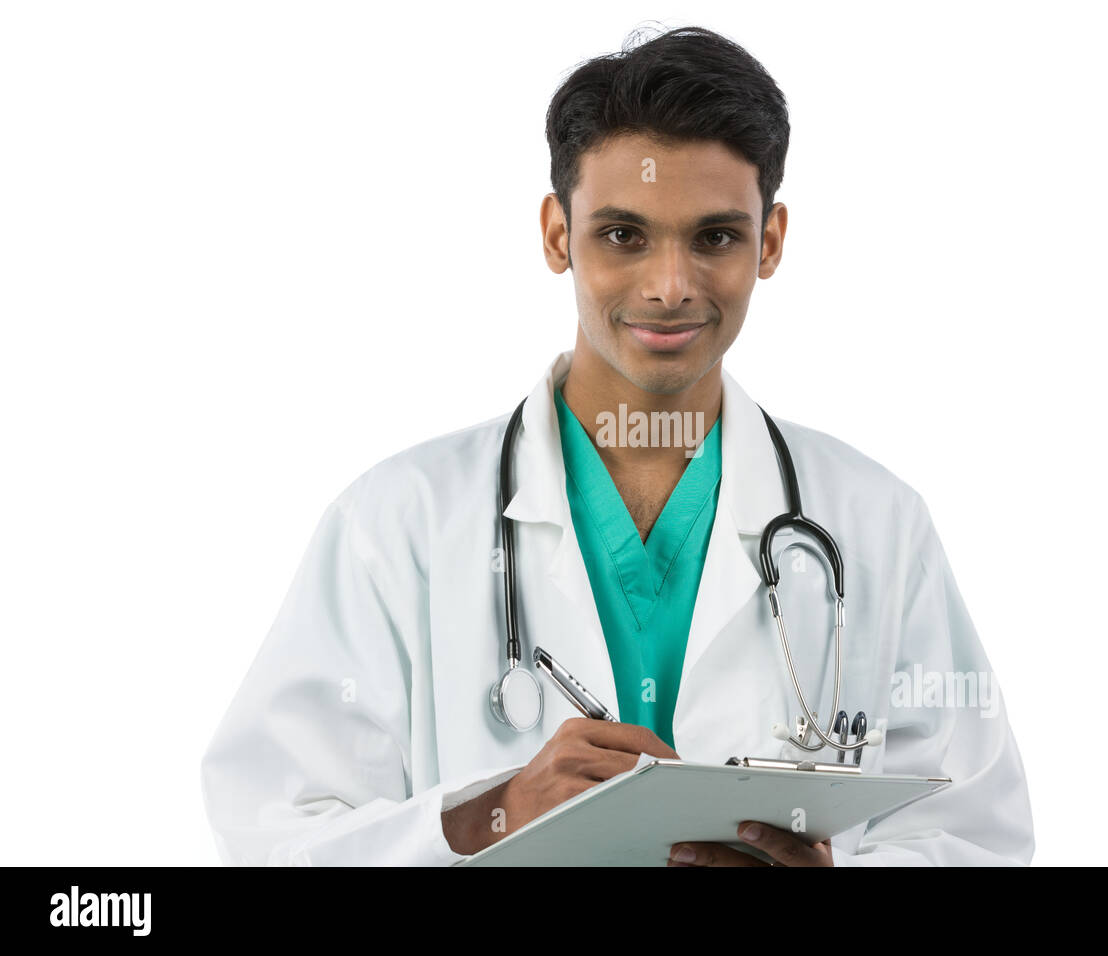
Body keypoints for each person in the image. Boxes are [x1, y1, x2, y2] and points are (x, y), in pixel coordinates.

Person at [200, 24, 1034, 867]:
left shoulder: (876, 522)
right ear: (558, 235)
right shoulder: (396, 526)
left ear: (769, 242)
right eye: (623, 235)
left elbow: (976, 833)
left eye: (714, 237)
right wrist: (489, 816)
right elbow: (270, 832)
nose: (669, 287)